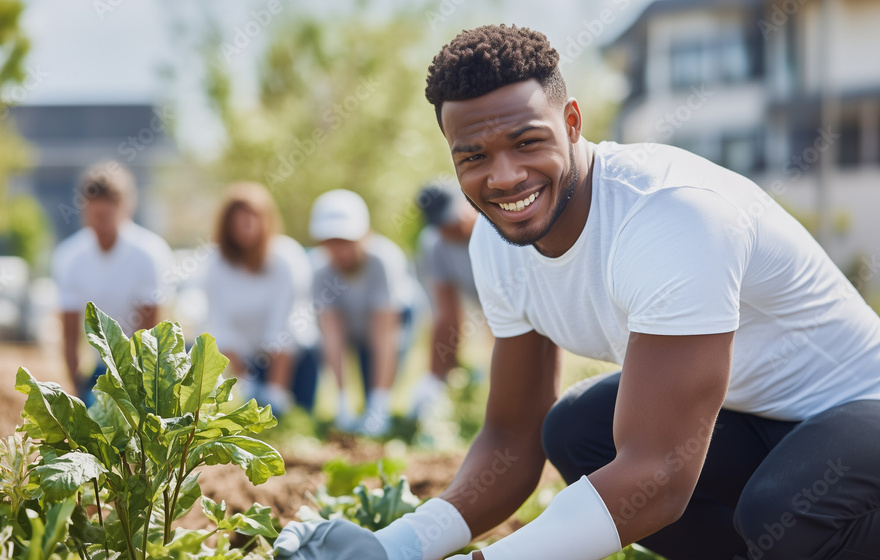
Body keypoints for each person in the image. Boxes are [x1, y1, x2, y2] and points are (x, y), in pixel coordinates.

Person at [275, 24, 880, 560]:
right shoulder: (497, 244)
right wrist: (393, 547)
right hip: (756, 420)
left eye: (526, 141)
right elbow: (512, 440)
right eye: (474, 156)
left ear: (572, 122)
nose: (504, 176)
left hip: (860, 409)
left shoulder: (672, 215)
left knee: (783, 513)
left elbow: (661, 475)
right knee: (576, 431)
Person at [53, 161, 172, 406]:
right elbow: (70, 338)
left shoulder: (149, 254)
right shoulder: (69, 258)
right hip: (102, 370)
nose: (101, 223)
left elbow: (150, 335)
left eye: (107, 215)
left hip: (144, 370)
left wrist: (144, 393)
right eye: (96, 215)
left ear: (125, 207)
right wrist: (76, 393)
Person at [202, 182, 319, 414]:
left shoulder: (286, 259)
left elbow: (283, 326)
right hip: (247, 361)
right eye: (238, 219)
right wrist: (247, 383)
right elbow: (221, 328)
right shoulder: (215, 265)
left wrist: (276, 391)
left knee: (298, 411)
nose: (246, 225)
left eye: (252, 217)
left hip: (294, 359)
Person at [309, 189, 416, 437]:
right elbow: (332, 337)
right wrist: (342, 397)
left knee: (374, 392)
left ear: (365, 235)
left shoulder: (384, 261)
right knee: (353, 402)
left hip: (389, 325)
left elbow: (385, 335)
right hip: (352, 329)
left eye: (346, 241)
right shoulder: (320, 271)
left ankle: (380, 406)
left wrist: (379, 404)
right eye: (332, 242)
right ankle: (353, 408)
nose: (340, 250)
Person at [412, 180, 480, 417]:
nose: (449, 228)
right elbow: (447, 316)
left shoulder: (494, 229)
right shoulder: (434, 245)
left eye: (451, 219)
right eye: (441, 224)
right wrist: (434, 378)